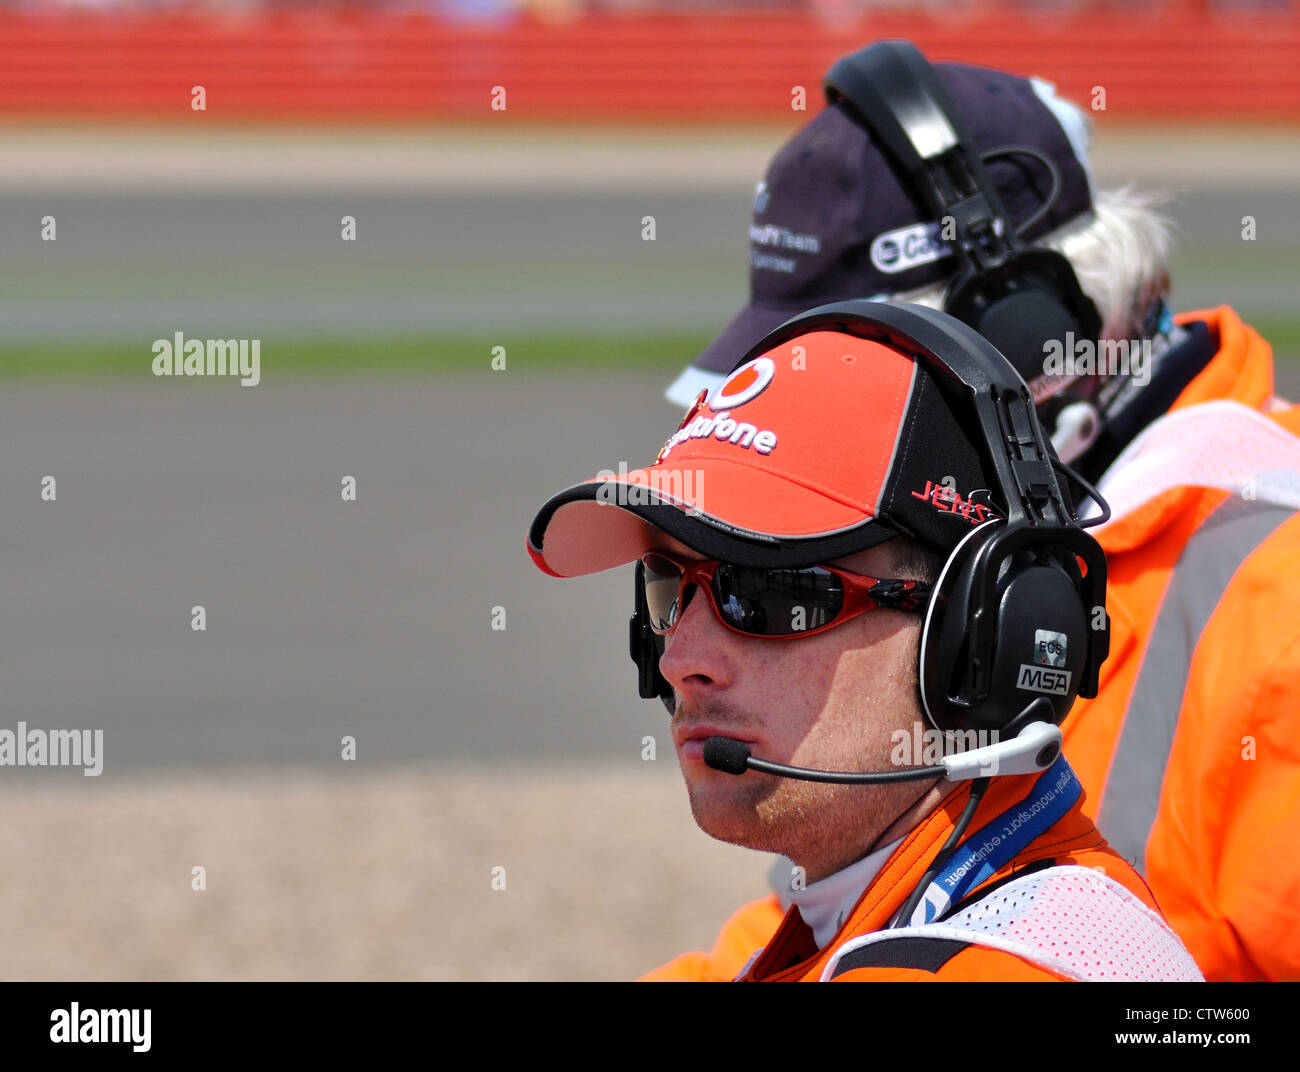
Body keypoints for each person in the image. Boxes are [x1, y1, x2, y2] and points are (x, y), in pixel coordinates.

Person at [656, 41, 1300, 983]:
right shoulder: (966, 544)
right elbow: (865, 906)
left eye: (859, 378)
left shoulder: (1273, 605)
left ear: (1026, 339)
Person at [527, 298, 1202, 981]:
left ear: (980, 638)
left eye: (769, 595)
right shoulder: (891, 918)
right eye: (670, 587)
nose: (680, 660)